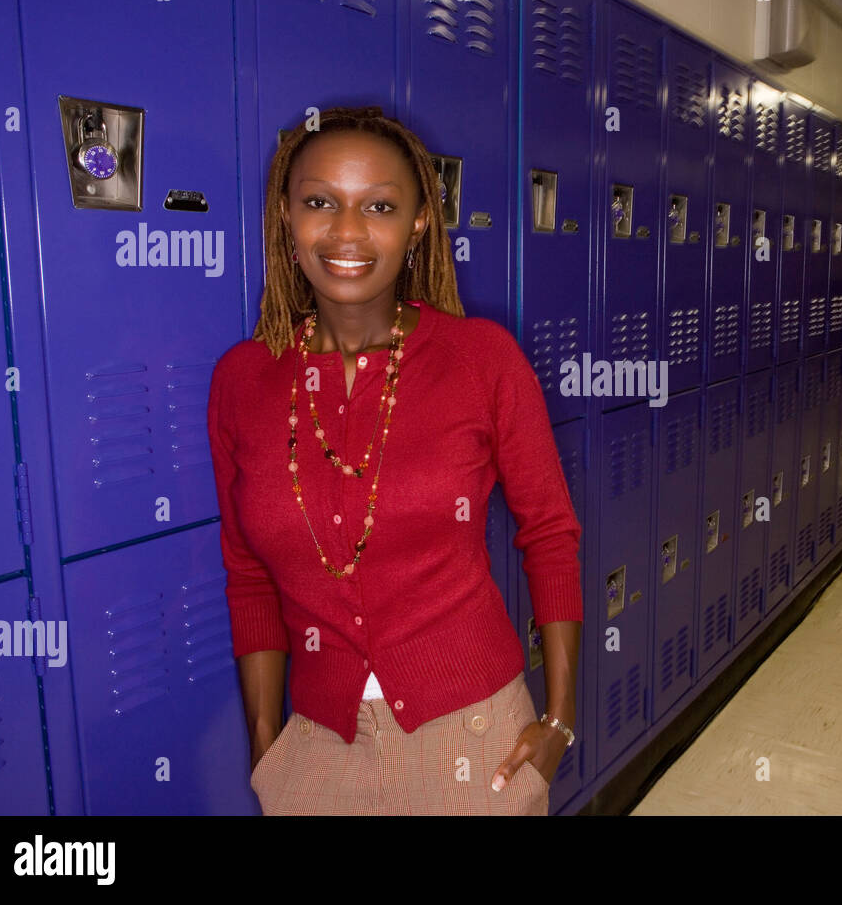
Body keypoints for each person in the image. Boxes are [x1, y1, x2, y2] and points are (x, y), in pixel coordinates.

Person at [205, 106, 582, 815]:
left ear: (417, 224)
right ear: (287, 217)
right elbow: (248, 574)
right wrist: (266, 748)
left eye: (379, 206)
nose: (347, 232)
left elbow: (550, 534)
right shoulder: (243, 381)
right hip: (319, 744)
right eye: (320, 202)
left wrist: (559, 718)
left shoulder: (481, 360)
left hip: (476, 738)